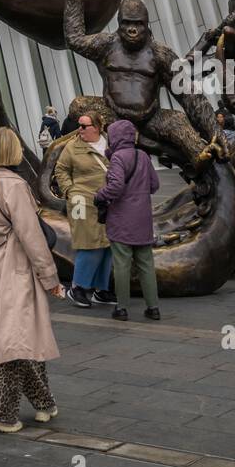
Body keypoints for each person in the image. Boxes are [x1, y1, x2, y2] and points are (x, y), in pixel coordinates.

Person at [0, 127, 64, 432]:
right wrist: (50, 276)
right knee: (15, 341)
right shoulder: (16, 186)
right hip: (18, 268)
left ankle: (44, 402)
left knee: (24, 335)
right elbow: (32, 236)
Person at [95, 118, 160, 321]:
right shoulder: (143, 156)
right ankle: (153, 308)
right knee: (146, 264)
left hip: (122, 219)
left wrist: (99, 195)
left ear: (114, 137)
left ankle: (121, 308)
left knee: (122, 263)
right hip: (142, 219)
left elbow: (115, 187)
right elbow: (154, 185)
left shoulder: (117, 158)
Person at [54, 111, 113, 307]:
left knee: (107, 244)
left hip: (109, 202)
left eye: (83, 126)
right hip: (82, 200)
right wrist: (70, 190)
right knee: (89, 243)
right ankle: (78, 287)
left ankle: (101, 290)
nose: (79, 129)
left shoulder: (110, 144)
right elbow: (61, 169)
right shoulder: (73, 147)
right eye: (79, 125)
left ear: (97, 127)